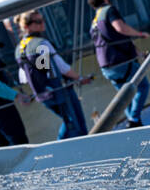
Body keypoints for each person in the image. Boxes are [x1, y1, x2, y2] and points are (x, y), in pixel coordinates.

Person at [15, 10, 93, 140]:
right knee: (76, 124)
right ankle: (68, 148)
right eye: (38, 22)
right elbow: (61, 67)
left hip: (42, 95)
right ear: (27, 26)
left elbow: (23, 78)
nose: (42, 24)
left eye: (43, 20)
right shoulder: (41, 43)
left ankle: (63, 148)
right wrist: (79, 78)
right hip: (59, 91)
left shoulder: (19, 49)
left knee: (69, 122)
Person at [87, 0, 150, 128]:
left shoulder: (95, 20)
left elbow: (111, 38)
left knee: (123, 95)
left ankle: (133, 121)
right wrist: (140, 34)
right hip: (121, 61)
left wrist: (139, 54)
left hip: (106, 65)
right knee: (143, 86)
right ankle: (134, 119)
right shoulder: (109, 10)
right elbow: (120, 28)